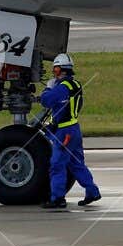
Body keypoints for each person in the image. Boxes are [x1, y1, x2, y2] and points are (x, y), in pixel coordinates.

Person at [38, 53, 100, 210]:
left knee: (57, 164)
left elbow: (46, 100)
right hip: (74, 130)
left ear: (62, 70)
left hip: (65, 133)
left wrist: (48, 88)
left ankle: (58, 198)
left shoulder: (62, 88)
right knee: (76, 164)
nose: (54, 73)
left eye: (56, 70)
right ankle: (92, 191)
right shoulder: (76, 85)